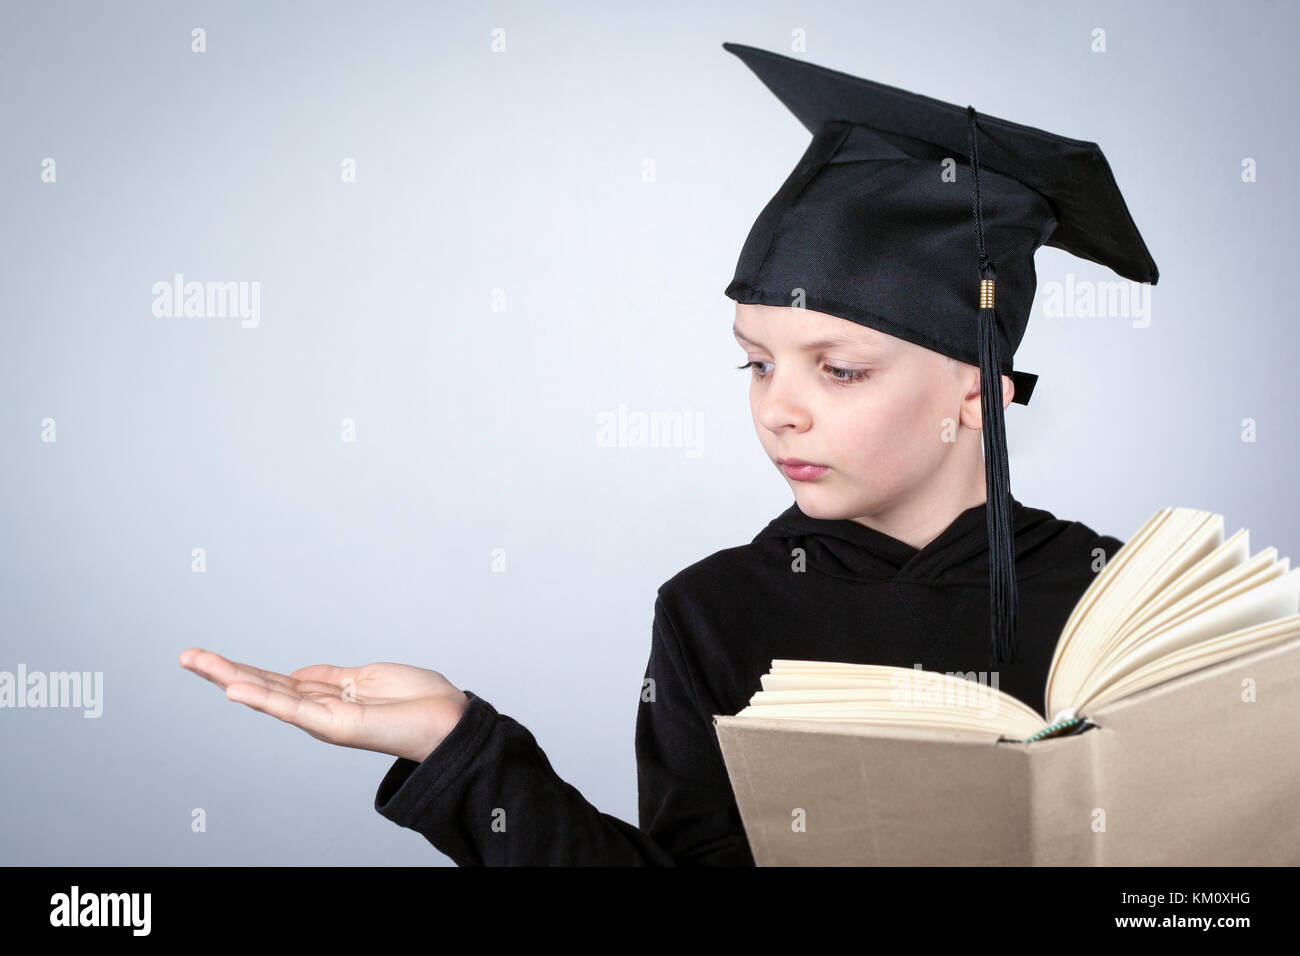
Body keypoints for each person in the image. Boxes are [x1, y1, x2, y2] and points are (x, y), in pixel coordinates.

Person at [178, 42, 1157, 866]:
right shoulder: (716, 611)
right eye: (756, 360)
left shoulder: (1130, 604)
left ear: (974, 390)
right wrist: (459, 749)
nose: (778, 409)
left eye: (839, 369)